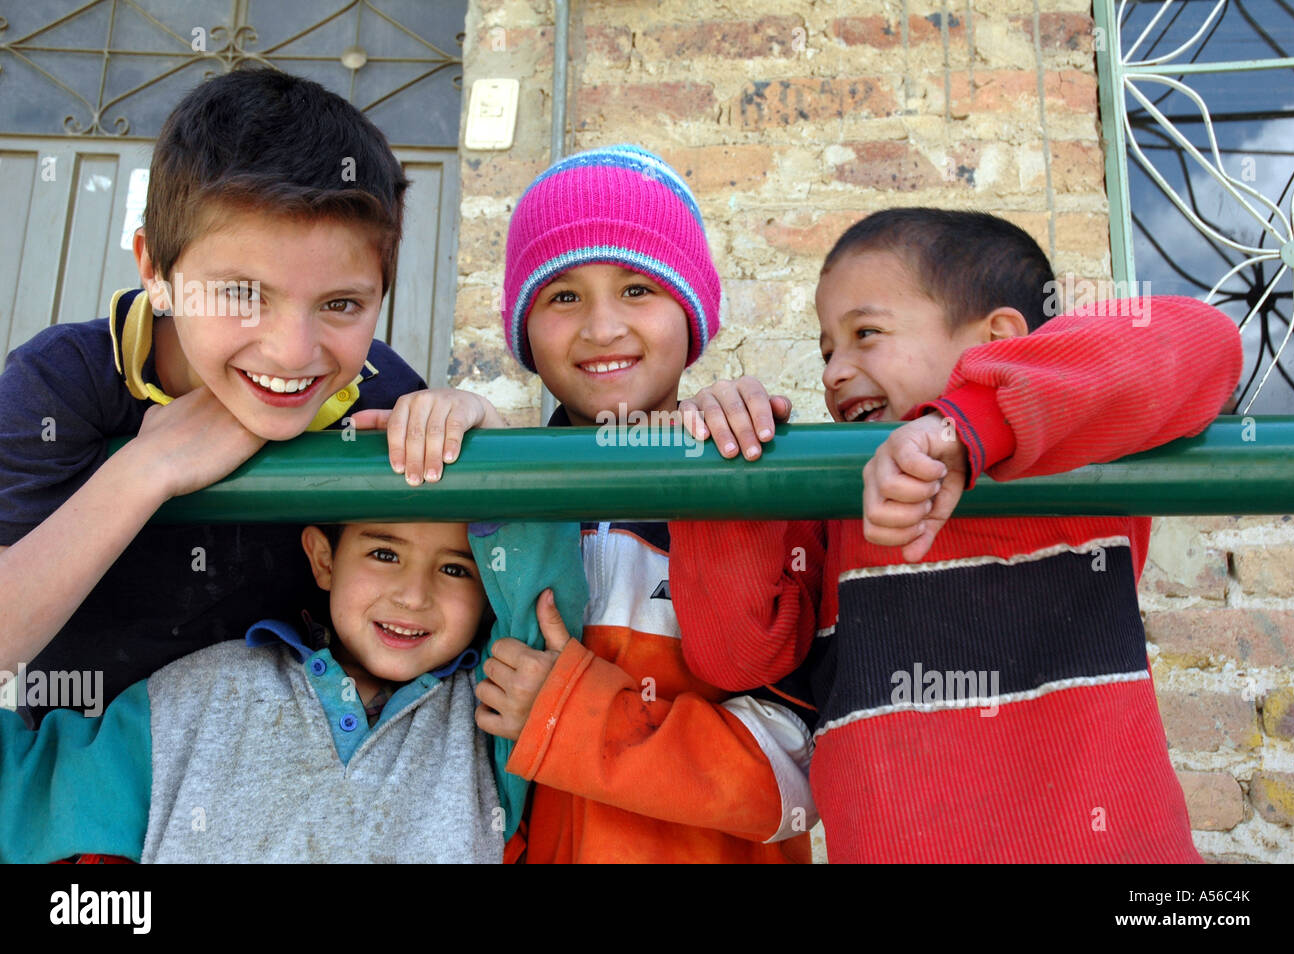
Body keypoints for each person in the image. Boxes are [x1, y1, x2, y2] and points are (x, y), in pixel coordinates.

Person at [671, 208, 1243, 862]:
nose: (832, 371)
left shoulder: (1073, 459)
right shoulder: (840, 505)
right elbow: (736, 659)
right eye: (828, 348)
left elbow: (1208, 341)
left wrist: (970, 426)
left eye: (866, 333)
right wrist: (725, 473)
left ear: (996, 338)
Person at [374, 145, 819, 863]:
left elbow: (792, 781)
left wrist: (572, 715)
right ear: (524, 331)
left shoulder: (755, 486)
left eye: (638, 288)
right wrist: (459, 444)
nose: (602, 326)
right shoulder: (495, 496)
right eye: (563, 295)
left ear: (694, 312)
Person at [0, 69, 427, 725]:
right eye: (240, 294)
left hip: (277, 795)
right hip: (81, 791)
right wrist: (146, 470)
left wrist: (468, 425)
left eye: (341, 304)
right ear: (155, 271)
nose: (293, 351)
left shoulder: (383, 392)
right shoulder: (62, 382)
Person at [0, 517, 584, 863]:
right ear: (324, 559)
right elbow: (27, 794)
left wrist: (475, 430)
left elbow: (544, 590)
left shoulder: (495, 714)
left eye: (456, 569)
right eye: (383, 553)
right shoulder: (200, 694)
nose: (413, 595)